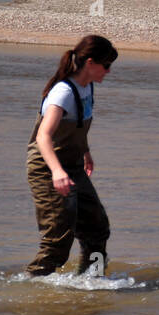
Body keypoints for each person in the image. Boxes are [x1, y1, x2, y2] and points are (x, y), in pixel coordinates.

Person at [25, 35, 119, 276]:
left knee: (97, 228)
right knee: (57, 241)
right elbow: (43, 136)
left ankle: (91, 281)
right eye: (106, 65)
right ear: (90, 62)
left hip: (73, 165)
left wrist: (85, 151)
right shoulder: (63, 92)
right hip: (48, 169)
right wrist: (57, 172)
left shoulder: (87, 87)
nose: (108, 72)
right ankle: (32, 286)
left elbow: (77, 125)